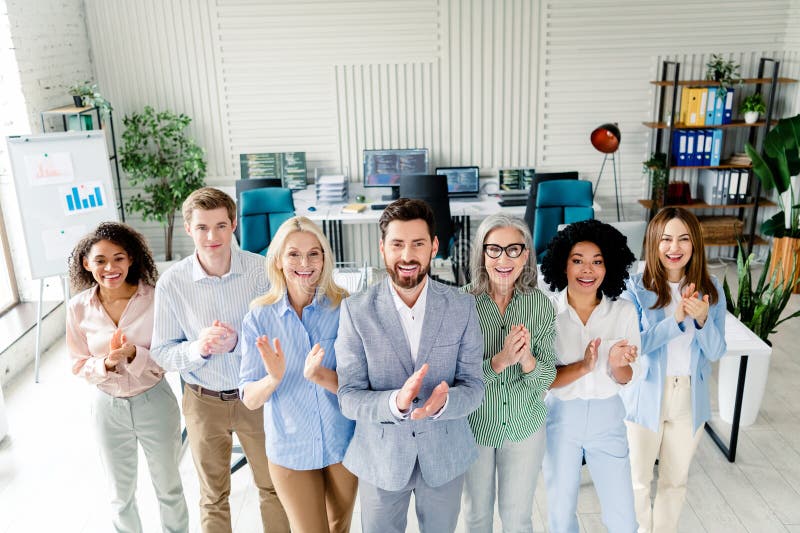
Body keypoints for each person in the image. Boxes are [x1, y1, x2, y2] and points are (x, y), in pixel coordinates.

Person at [335, 198, 485, 533]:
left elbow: (475, 385)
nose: (407, 256)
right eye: (397, 244)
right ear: (382, 248)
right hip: (381, 457)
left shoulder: (462, 307)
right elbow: (348, 396)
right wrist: (394, 403)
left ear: (434, 246)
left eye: (418, 243)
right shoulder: (356, 311)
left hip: (444, 453)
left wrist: (446, 402)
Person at [151, 187, 289, 533]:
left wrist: (239, 343)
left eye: (220, 226)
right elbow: (162, 353)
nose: (212, 237)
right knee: (212, 495)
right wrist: (198, 347)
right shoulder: (172, 283)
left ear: (234, 225)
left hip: (256, 399)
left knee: (273, 488)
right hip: (203, 401)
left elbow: (283, 339)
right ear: (188, 228)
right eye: (202, 228)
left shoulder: (263, 273)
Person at [66, 222, 188, 533]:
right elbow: (78, 364)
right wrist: (106, 362)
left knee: (169, 489)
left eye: (119, 258)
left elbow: (170, 355)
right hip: (107, 408)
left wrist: (134, 355)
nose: (110, 268)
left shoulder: (156, 299)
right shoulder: (78, 308)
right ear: (86, 263)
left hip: (155, 401)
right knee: (120, 495)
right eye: (101, 260)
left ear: (131, 259)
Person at [239, 216, 357, 533]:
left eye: (313, 253)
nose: (304, 263)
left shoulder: (345, 307)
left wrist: (321, 375)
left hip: (342, 442)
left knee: (338, 527)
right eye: (293, 254)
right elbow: (249, 398)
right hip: (291, 449)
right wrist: (273, 378)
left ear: (324, 258)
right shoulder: (259, 316)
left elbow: (362, 385)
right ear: (278, 260)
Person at [621, 207, 726, 533]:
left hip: (689, 399)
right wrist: (676, 320)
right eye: (666, 239)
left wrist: (703, 320)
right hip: (645, 393)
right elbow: (634, 348)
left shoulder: (711, 289)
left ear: (695, 244)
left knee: (675, 483)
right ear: (654, 242)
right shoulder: (635, 287)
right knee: (637, 481)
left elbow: (717, 351)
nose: (674, 247)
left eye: (683, 239)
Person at [540, 219, 641, 533]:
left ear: (609, 265)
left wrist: (615, 363)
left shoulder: (623, 312)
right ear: (563, 265)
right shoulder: (545, 311)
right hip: (560, 419)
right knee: (560, 513)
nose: (588, 270)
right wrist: (583, 367)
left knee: (623, 517)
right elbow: (544, 379)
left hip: (608, 418)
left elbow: (625, 378)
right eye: (577, 261)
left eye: (597, 261)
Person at [461, 214, 557, 532]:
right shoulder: (460, 304)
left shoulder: (540, 306)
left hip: (524, 427)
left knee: (517, 519)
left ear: (526, 254)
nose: (504, 259)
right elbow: (452, 380)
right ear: (482, 253)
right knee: (477, 517)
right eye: (494, 249)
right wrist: (499, 362)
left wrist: (527, 359)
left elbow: (547, 380)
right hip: (474, 428)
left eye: (513, 249)